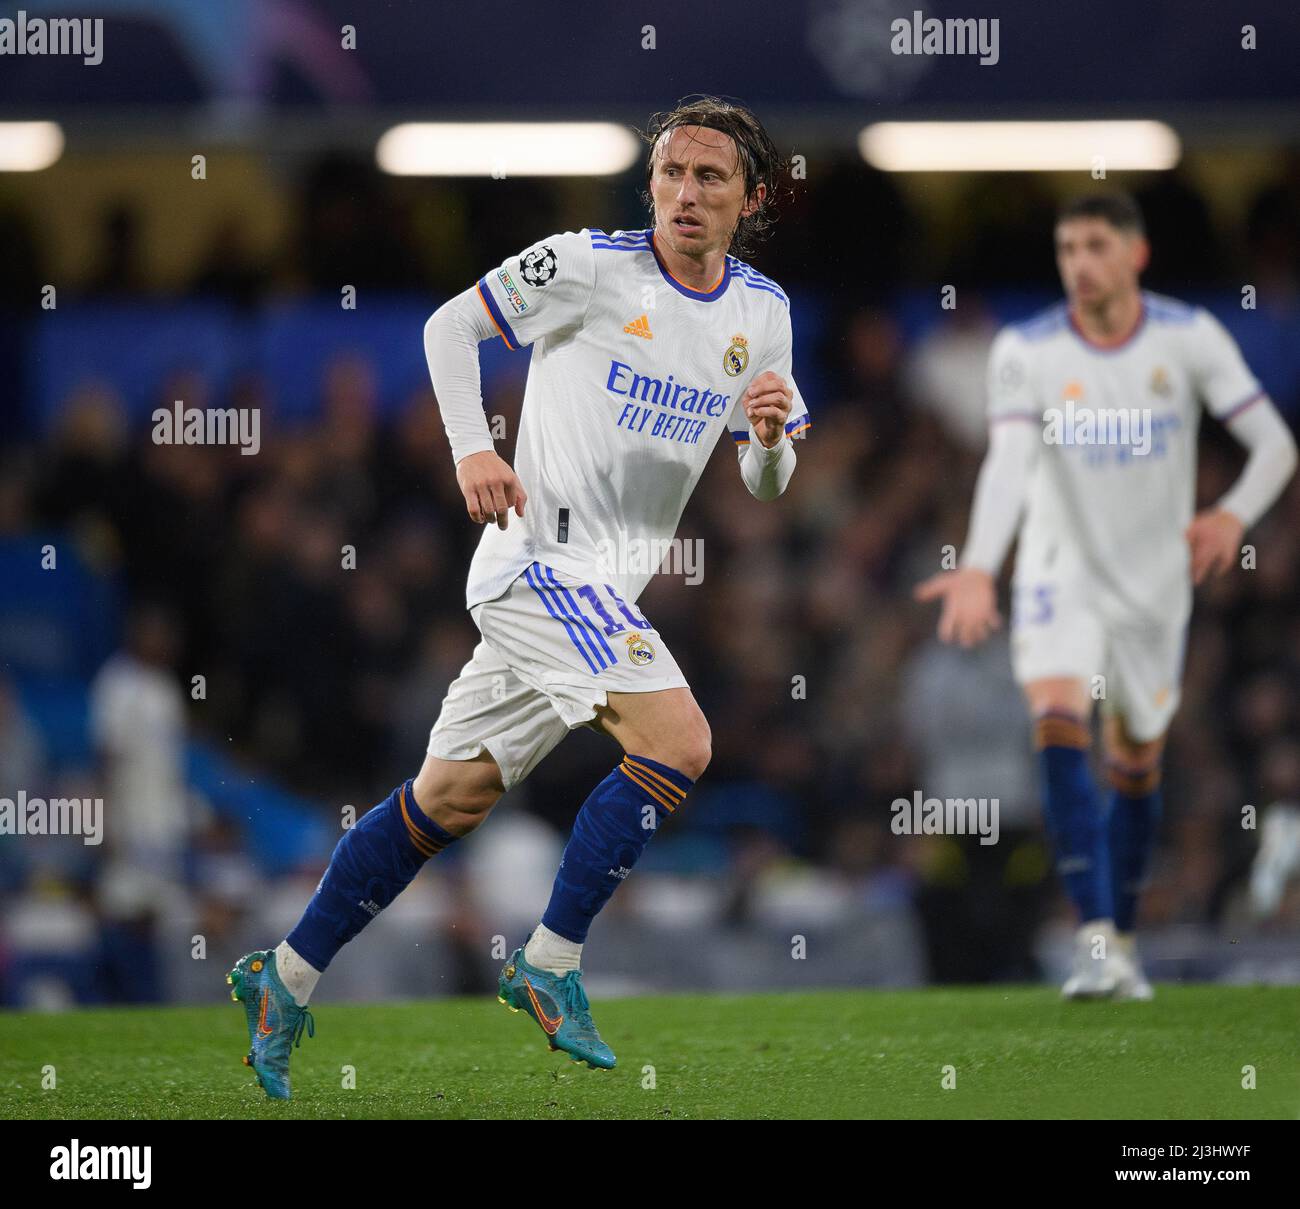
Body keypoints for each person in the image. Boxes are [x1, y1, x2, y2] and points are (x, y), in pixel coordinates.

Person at [227, 95, 811, 1098]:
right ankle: (548, 964)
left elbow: (767, 479)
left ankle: (281, 978)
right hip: (538, 566)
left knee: (446, 799)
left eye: (709, 177)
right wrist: (472, 450)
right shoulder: (586, 265)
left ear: (750, 199)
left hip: (597, 599)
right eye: (670, 172)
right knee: (678, 744)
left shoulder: (762, 315)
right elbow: (450, 327)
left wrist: (766, 437)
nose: (683, 192)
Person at [916, 192, 1296, 1000]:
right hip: (1059, 573)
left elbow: (1274, 444)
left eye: (1095, 245)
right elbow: (1009, 463)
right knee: (1057, 721)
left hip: (1152, 584)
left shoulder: (1187, 338)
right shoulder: (1028, 349)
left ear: (1135, 254)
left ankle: (1120, 939)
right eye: (1066, 249)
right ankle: (1094, 938)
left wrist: (1230, 515)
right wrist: (982, 564)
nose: (1079, 264)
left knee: (1133, 764)